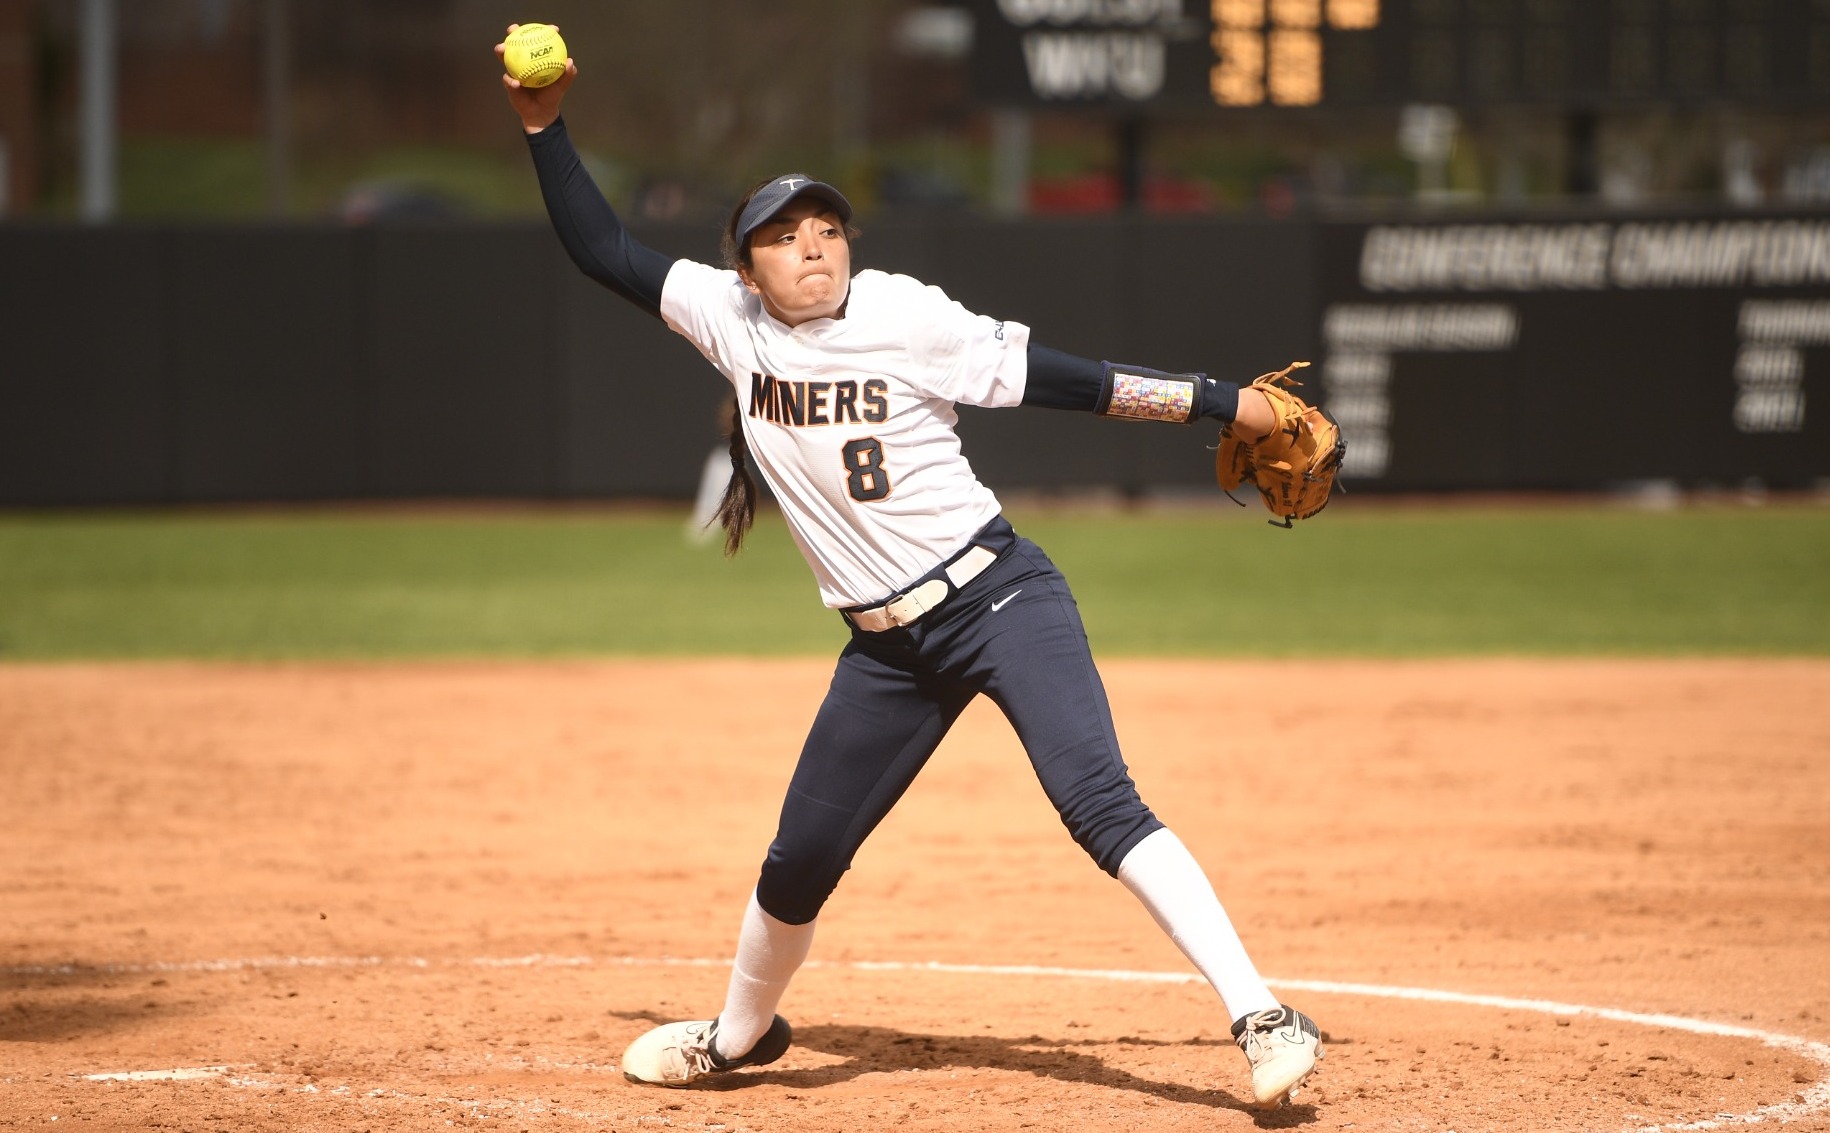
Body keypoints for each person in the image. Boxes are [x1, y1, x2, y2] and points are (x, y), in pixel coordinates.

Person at [495, 28, 1325, 1110]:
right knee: (799, 856)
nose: (812, 247)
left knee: (1098, 801)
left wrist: (1219, 402)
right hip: (885, 653)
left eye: (827, 228)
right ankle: (737, 1035)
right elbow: (601, 247)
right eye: (783, 235)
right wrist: (543, 125)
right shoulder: (726, 317)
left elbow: (1069, 381)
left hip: (999, 597)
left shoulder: (905, 314)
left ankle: (1261, 1014)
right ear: (745, 267)